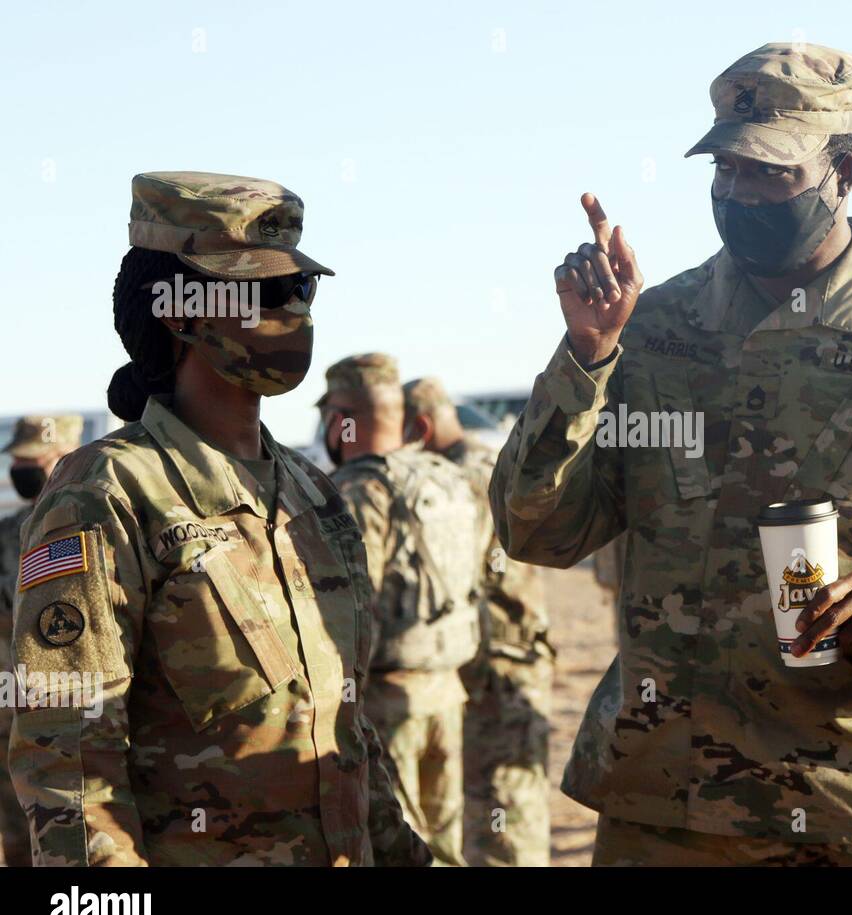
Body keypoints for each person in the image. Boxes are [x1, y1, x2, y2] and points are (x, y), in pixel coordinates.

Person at [490, 43, 852, 865]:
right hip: (666, 798)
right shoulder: (653, 327)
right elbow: (538, 533)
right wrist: (585, 357)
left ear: (845, 172)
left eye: (768, 174)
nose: (736, 194)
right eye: (724, 169)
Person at [7, 171, 429, 866]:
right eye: (264, 290)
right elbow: (68, 770)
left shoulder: (315, 496)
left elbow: (348, 735)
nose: (293, 308)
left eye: (302, 287)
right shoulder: (105, 494)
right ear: (180, 311)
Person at [319, 356, 490, 866]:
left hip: (388, 703)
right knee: (445, 840)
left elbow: (347, 605)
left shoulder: (359, 489)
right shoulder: (446, 476)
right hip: (447, 686)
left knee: (401, 845)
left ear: (340, 417)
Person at [404, 377, 554, 866]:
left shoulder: (462, 478)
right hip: (507, 663)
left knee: (501, 819)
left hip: (496, 671)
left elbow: (451, 577)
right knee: (503, 809)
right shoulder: (485, 463)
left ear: (418, 428)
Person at [0, 414, 84, 866]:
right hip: (11, 707)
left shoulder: (88, 527)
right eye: (16, 461)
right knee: (16, 834)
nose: (21, 469)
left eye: (31, 460)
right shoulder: (8, 531)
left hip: (75, 711)